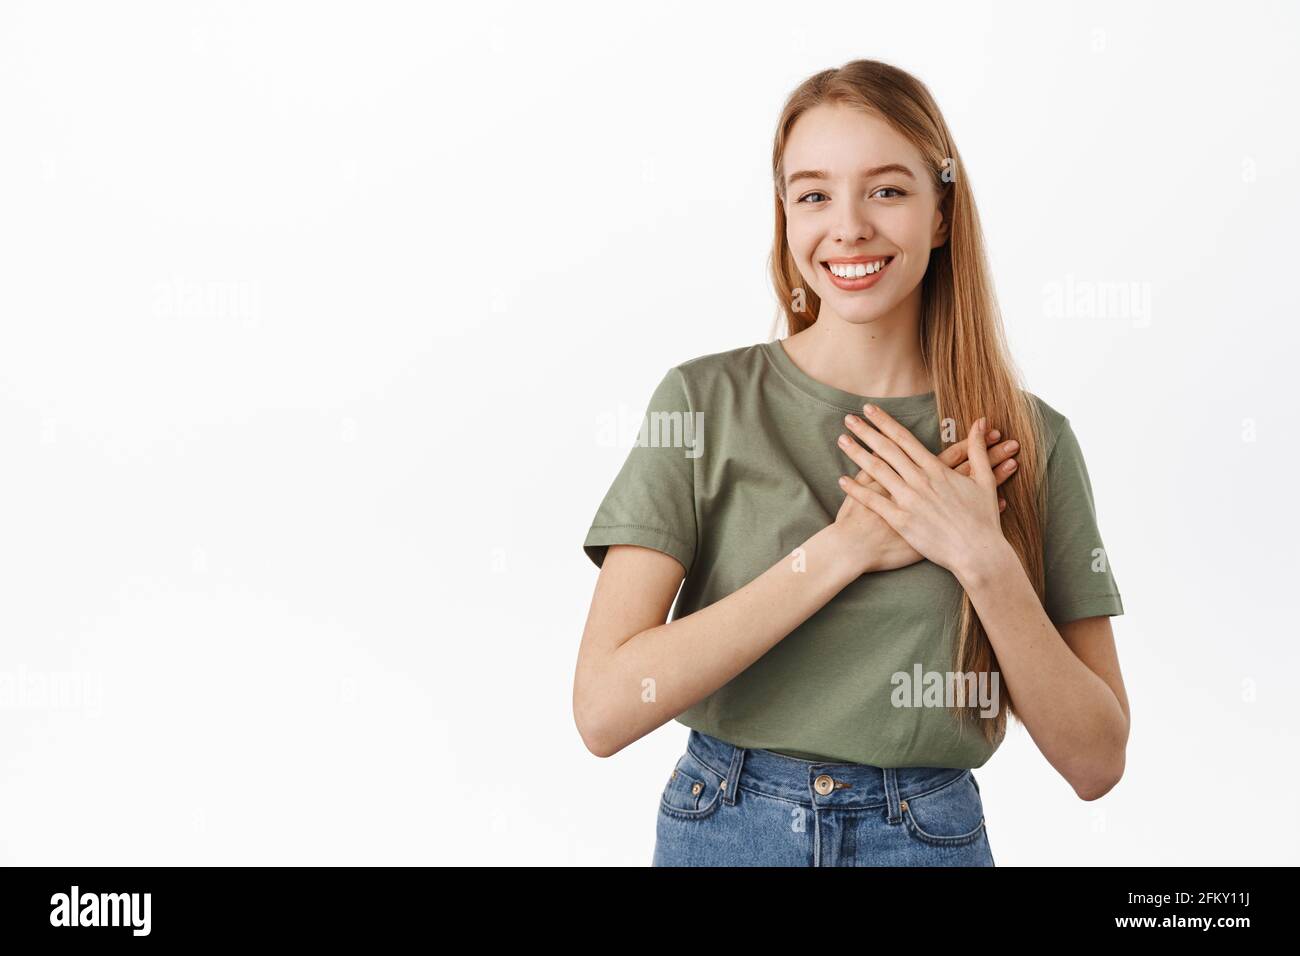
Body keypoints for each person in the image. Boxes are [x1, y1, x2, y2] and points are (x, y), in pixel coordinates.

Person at [573, 59, 1129, 867]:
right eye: (813, 194)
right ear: (786, 217)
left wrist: (985, 559)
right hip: (726, 825)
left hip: (926, 836)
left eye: (888, 190)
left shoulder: (1027, 439)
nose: (849, 226)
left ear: (941, 213)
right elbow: (603, 712)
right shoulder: (702, 403)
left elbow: (1096, 762)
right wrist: (842, 551)